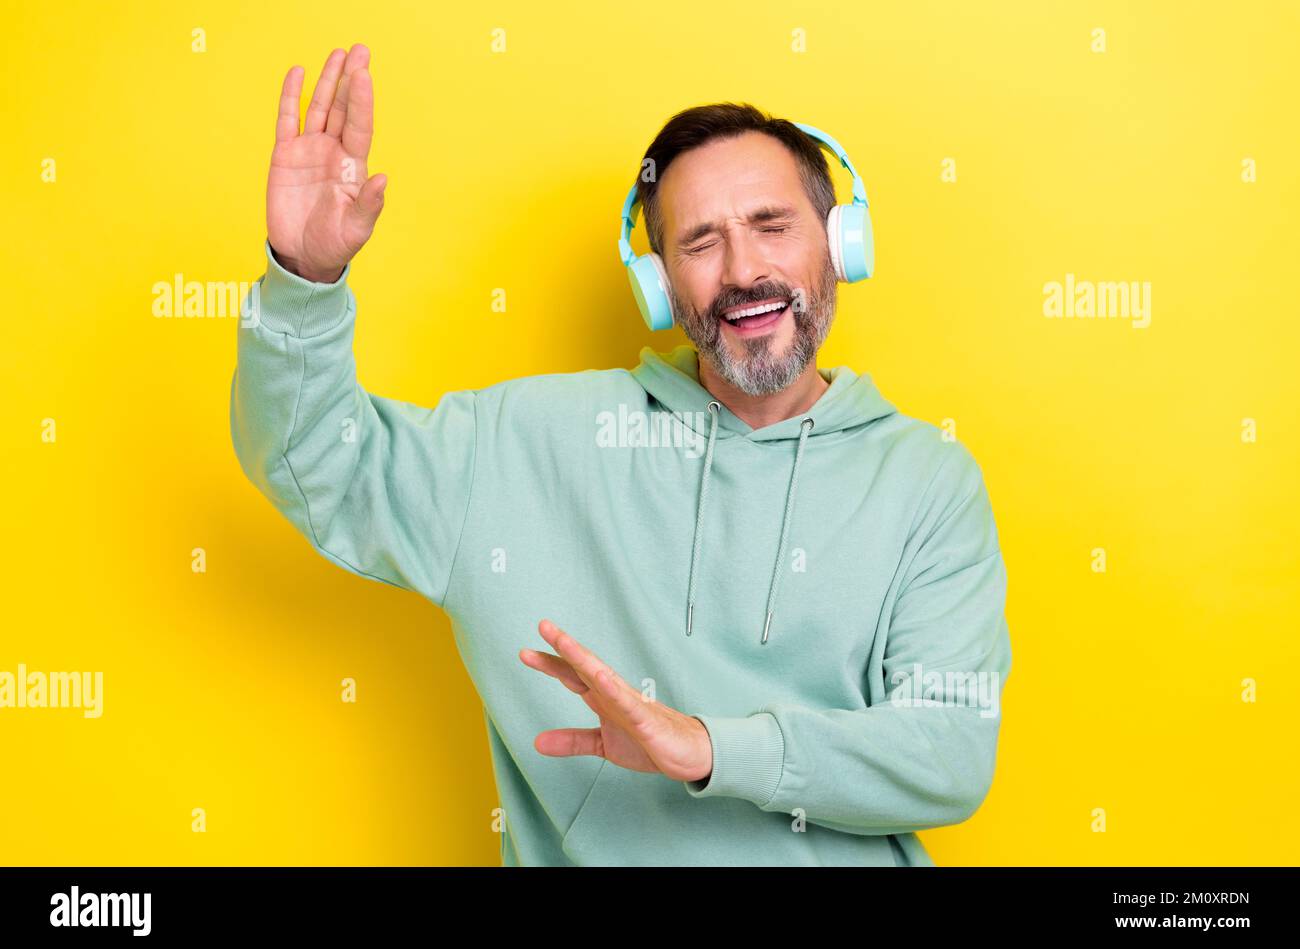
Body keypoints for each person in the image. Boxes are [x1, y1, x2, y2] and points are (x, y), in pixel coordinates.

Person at [230, 42, 1012, 866]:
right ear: (659, 284)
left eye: (772, 226)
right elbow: (312, 458)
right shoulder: (523, 446)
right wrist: (304, 282)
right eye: (700, 243)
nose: (744, 269)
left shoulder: (928, 480)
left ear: (839, 243)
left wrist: (709, 749)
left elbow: (950, 752)